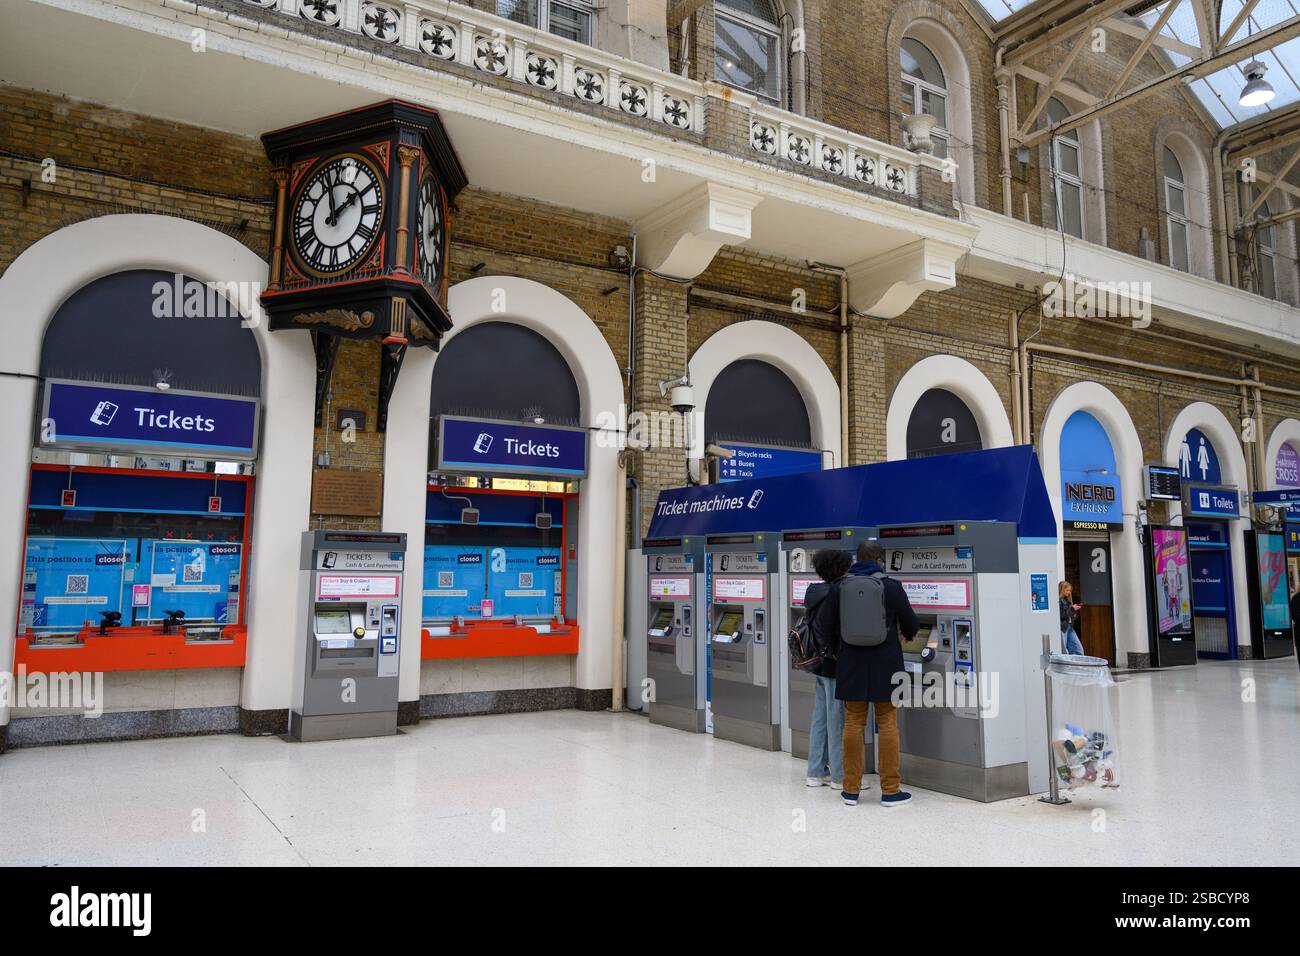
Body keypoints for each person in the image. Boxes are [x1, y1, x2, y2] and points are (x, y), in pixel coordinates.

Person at [832, 539, 919, 808]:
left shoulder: (840, 588)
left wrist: (841, 648)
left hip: (851, 664)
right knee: (888, 723)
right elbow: (911, 623)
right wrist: (905, 634)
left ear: (856, 559)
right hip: (886, 664)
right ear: (880, 560)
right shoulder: (891, 587)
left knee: (853, 723)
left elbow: (826, 625)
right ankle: (891, 791)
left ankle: (850, 790)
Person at [802, 548, 851, 790]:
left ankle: (815, 771)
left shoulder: (813, 592)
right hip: (833, 663)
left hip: (818, 663)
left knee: (820, 717)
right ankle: (840, 776)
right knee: (836, 719)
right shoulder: (837, 594)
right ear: (840, 568)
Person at [1060, 581, 1085, 656]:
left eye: (1070, 590)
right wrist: (1072, 609)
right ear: (1061, 590)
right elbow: (1061, 615)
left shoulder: (1067, 601)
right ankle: (1067, 667)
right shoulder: (1059, 601)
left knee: (1078, 650)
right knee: (1064, 651)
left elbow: (1070, 615)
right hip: (1063, 628)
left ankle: (1076, 666)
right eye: (1067, 590)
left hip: (1070, 628)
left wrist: (1074, 612)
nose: (1069, 592)